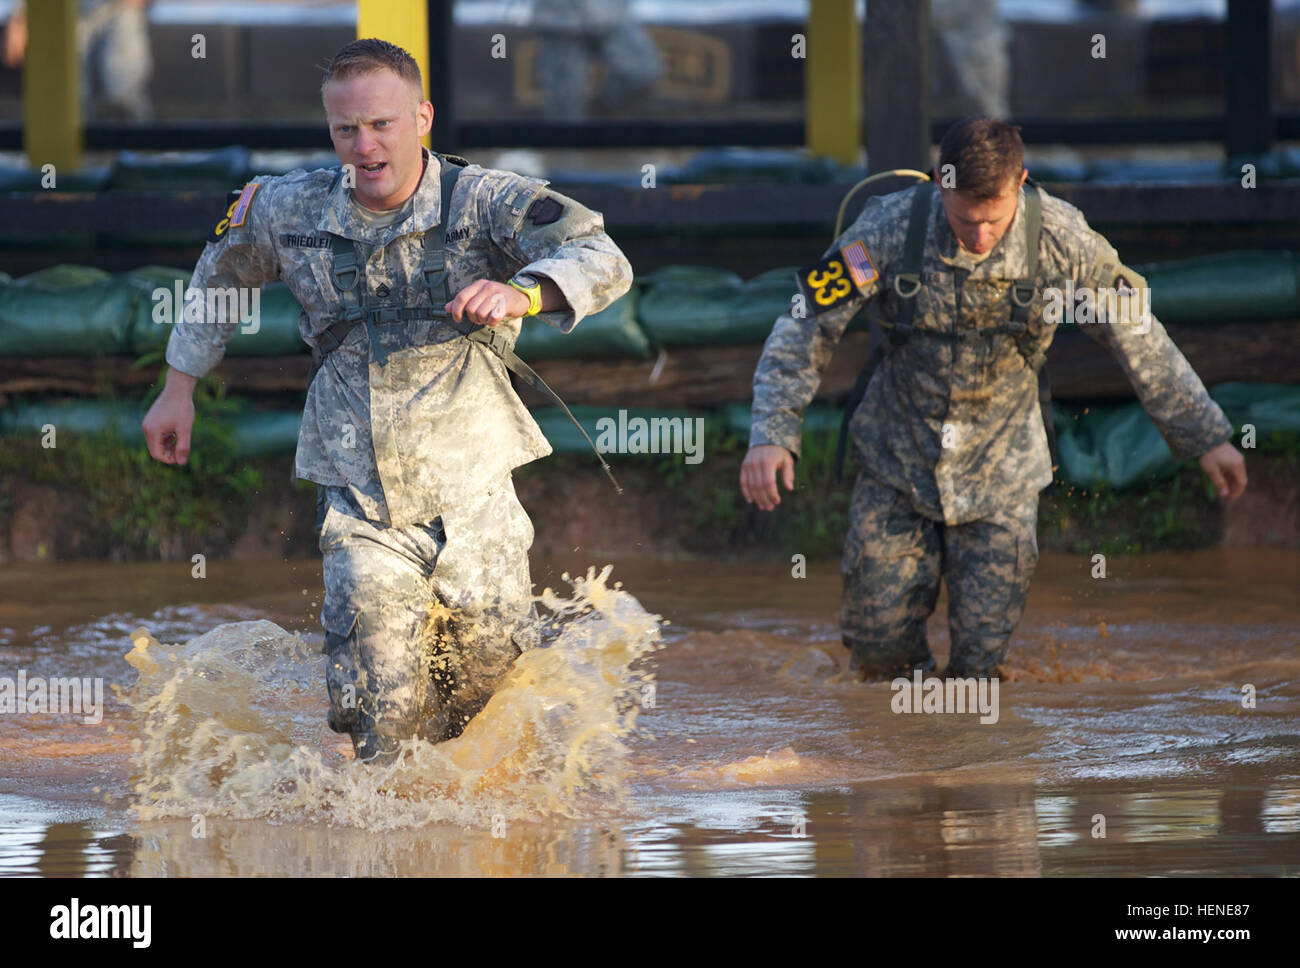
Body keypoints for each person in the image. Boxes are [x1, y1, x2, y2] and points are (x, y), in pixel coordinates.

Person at [142, 38, 634, 764]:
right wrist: (177, 386)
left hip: (473, 491)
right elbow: (222, 275)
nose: (365, 146)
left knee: (481, 697)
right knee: (381, 706)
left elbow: (604, 257)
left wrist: (522, 290)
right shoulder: (288, 207)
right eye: (346, 129)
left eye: (382, 124)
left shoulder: (485, 200)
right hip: (359, 493)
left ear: (422, 117)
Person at [740, 117, 1246, 681]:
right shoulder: (883, 231)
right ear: (939, 183)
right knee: (880, 655)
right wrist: (772, 434)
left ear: (1022, 182)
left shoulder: (1062, 238)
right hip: (897, 465)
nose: (979, 237)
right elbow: (805, 324)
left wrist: (1209, 438)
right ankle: (894, 763)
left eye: (993, 220)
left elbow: (1139, 338)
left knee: (979, 671)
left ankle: (970, 768)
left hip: (1003, 475)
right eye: (964, 219)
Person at [4, 0, 154, 121]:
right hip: (62, 13)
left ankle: (130, 143)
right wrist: (19, 16)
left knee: (123, 91)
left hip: (119, 9)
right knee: (66, 98)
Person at [531, 0, 662, 121]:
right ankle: (571, 140)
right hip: (561, 20)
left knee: (643, 72)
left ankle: (603, 118)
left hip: (611, 13)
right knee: (565, 109)